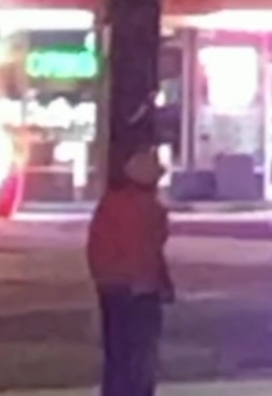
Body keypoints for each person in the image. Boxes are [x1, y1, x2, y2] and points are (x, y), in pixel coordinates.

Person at [86, 147, 172, 396]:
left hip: (111, 287)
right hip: (140, 290)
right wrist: (160, 284)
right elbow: (149, 253)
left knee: (117, 354)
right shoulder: (150, 209)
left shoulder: (111, 204)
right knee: (141, 355)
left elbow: (97, 248)